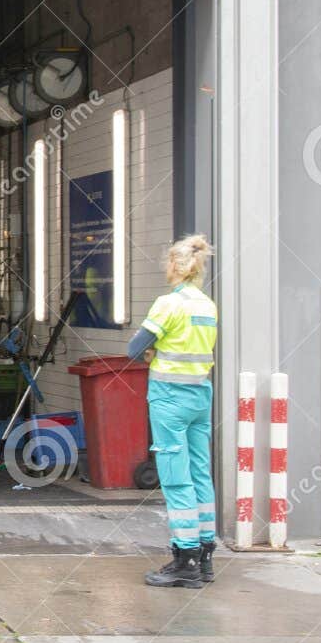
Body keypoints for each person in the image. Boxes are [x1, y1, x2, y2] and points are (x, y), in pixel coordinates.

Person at [130, 234, 219, 589]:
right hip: (200, 394)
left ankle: (185, 559)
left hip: (170, 398)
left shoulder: (168, 304)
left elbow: (136, 348)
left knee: (175, 476)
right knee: (200, 473)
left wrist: (151, 356)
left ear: (174, 265)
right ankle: (206, 556)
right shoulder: (208, 306)